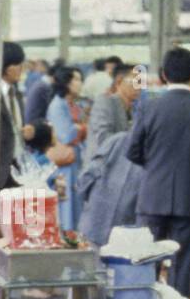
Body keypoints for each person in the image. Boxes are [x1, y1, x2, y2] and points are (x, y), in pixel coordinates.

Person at [127, 47, 190, 296]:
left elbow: (132, 151)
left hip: (151, 196)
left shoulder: (148, 108)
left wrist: (155, 167)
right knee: (181, 264)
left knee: (146, 261)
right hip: (187, 196)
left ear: (162, 75)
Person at [78, 128, 144, 248]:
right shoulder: (156, 151)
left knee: (88, 263)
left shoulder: (118, 139)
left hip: (95, 220)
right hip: (127, 230)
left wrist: (86, 198)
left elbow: (87, 176)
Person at [47, 65, 86, 233]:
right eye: (76, 79)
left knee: (73, 201)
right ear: (67, 83)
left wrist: (78, 128)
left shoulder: (73, 105)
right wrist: (81, 128)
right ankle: (64, 233)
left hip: (73, 162)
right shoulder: (58, 106)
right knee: (64, 202)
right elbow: (66, 135)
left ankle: (71, 233)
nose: (80, 83)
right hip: (62, 167)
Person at [86, 63, 138, 163]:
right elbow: (103, 137)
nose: (139, 86)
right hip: (101, 170)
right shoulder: (105, 102)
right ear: (119, 81)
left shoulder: (133, 109)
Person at [0, 42, 30, 190]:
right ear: (8, 68)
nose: (22, 70)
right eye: (19, 65)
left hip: (17, 170)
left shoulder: (17, 95)